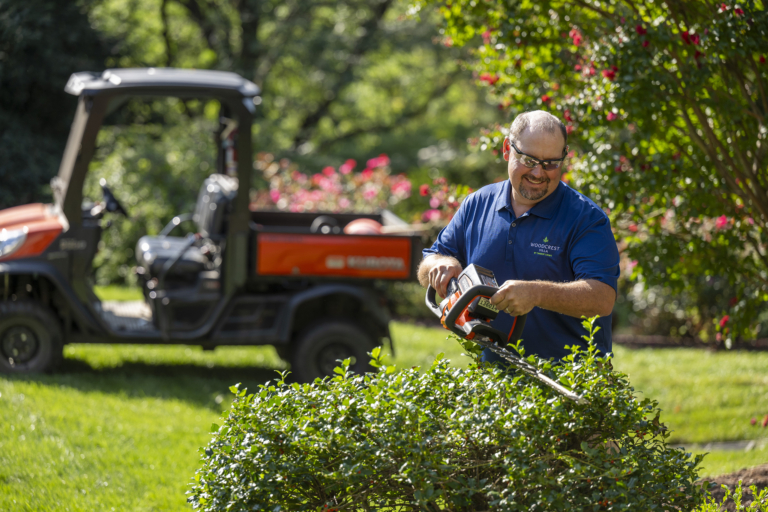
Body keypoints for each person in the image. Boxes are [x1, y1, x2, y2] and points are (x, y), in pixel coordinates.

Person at [418, 110, 620, 362]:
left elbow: (602, 298)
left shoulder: (586, 218)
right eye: (529, 160)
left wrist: (536, 294)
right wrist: (440, 265)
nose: (538, 173)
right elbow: (429, 262)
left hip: (568, 378)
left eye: (551, 163)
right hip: (492, 377)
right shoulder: (478, 203)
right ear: (507, 149)